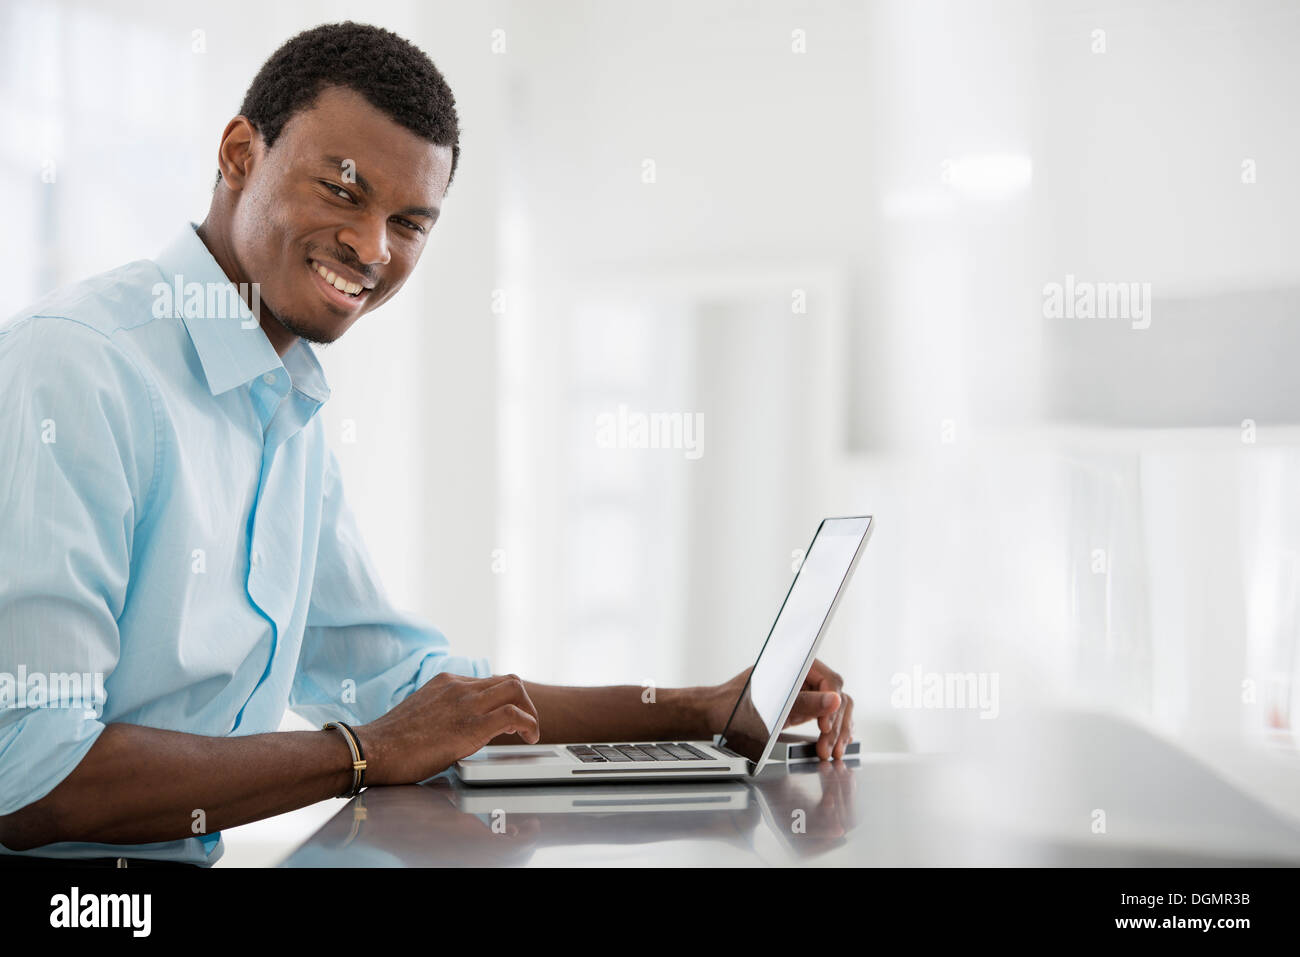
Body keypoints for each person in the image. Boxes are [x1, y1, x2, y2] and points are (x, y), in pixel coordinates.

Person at [0, 21, 855, 867]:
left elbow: (409, 691)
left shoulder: (283, 405)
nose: (372, 248)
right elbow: (30, 774)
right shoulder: (78, 367)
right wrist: (360, 753)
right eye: (343, 190)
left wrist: (703, 708)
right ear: (237, 155)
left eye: (409, 222)